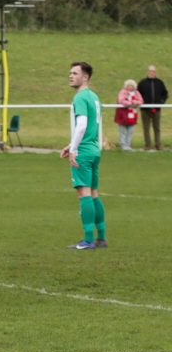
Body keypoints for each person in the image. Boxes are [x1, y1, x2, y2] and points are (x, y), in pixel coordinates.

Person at [61, 62, 107, 250]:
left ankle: (88, 240)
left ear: (85, 77)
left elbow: (81, 125)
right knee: (94, 193)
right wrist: (71, 145)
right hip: (94, 150)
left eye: (75, 73)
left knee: (84, 194)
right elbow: (93, 126)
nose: (70, 76)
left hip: (84, 152)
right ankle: (101, 237)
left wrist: (74, 149)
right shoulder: (94, 96)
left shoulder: (80, 97)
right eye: (70, 73)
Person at [138, 65, 167, 151]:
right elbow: (138, 94)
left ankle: (158, 145)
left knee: (157, 128)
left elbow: (165, 93)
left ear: (155, 72)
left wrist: (161, 102)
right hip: (145, 110)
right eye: (150, 71)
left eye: (153, 71)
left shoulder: (160, 82)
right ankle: (148, 145)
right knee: (146, 128)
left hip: (157, 109)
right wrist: (141, 103)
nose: (152, 73)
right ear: (148, 72)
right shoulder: (142, 83)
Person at [115, 79, 144, 151]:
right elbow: (121, 100)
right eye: (129, 86)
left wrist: (135, 102)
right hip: (123, 114)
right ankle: (123, 145)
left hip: (132, 114)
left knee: (130, 131)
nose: (130, 87)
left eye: (131, 86)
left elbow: (141, 101)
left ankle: (128, 145)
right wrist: (131, 103)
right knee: (122, 130)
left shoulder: (136, 92)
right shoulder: (123, 92)